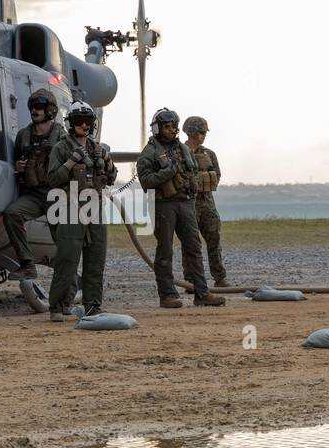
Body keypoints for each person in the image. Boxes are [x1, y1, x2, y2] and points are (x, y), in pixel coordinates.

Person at [136, 108, 226, 308]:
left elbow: (192, 170)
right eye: (167, 127)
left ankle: (201, 293)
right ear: (158, 128)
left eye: (173, 126)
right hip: (163, 205)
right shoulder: (150, 152)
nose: (171, 130)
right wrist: (167, 173)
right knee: (165, 250)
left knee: (194, 248)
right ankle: (167, 294)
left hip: (185, 202)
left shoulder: (183, 149)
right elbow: (146, 181)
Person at [45, 101, 116, 321]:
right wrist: (70, 162)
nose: (84, 125)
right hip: (69, 207)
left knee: (96, 258)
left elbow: (111, 178)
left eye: (87, 121)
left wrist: (107, 161)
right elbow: (53, 179)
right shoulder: (61, 148)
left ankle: (93, 305)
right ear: (71, 124)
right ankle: (58, 306)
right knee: (68, 258)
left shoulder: (97, 148)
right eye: (78, 121)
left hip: (94, 206)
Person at [4, 89, 66, 281]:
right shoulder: (23, 135)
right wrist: (18, 166)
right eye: (32, 107)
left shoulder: (62, 138)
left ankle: (67, 274)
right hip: (34, 195)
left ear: (50, 110)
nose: (34, 111)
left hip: (56, 195)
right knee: (12, 214)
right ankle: (27, 264)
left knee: (63, 238)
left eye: (39, 107)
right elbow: (14, 162)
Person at [180, 115, 229, 287]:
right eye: (201, 132)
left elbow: (217, 175)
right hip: (187, 203)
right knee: (191, 244)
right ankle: (191, 281)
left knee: (214, 239)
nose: (204, 135)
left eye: (204, 132)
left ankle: (219, 277)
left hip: (207, 203)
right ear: (191, 132)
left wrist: (202, 180)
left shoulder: (209, 154)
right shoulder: (179, 152)